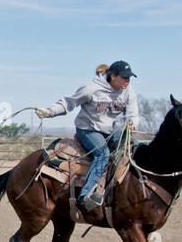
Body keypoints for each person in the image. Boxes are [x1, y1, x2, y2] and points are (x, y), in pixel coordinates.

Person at [35, 60, 139, 210]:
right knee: (102, 154)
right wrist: (49, 112)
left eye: (129, 77)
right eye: (124, 77)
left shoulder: (128, 91)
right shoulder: (91, 89)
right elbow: (69, 102)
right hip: (88, 130)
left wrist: (132, 123)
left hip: (110, 131)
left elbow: (133, 113)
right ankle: (86, 195)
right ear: (113, 76)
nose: (128, 81)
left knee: (134, 147)